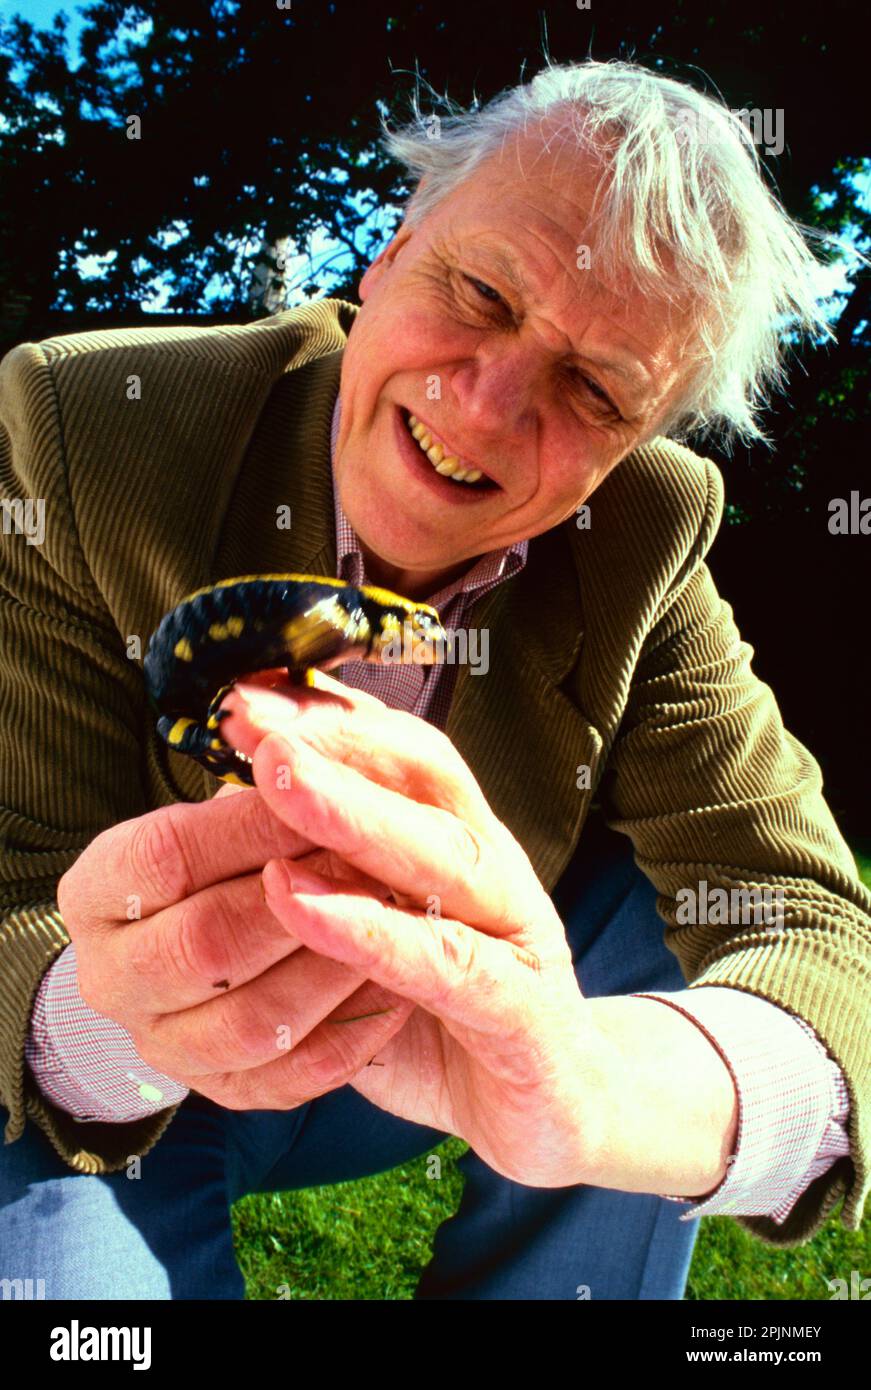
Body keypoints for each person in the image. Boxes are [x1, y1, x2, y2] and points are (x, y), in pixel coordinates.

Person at [0, 59, 867, 1302]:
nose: (491, 403)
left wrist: (587, 1091)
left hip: (441, 1064)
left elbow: (807, 916)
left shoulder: (642, 541)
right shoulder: (87, 428)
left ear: (644, 438)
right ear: (390, 252)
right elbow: (14, 881)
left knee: (651, 897)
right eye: (480, 290)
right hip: (123, 1081)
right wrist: (126, 1018)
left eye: (597, 388)